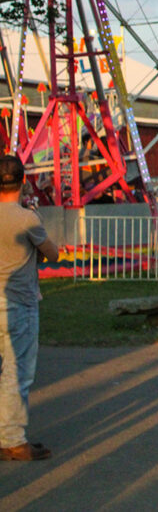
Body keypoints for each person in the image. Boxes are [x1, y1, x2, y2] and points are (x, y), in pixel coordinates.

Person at [0, 155, 58, 461]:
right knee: (17, 372)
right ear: (23, 181)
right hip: (18, 301)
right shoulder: (27, 218)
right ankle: (12, 439)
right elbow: (53, 253)